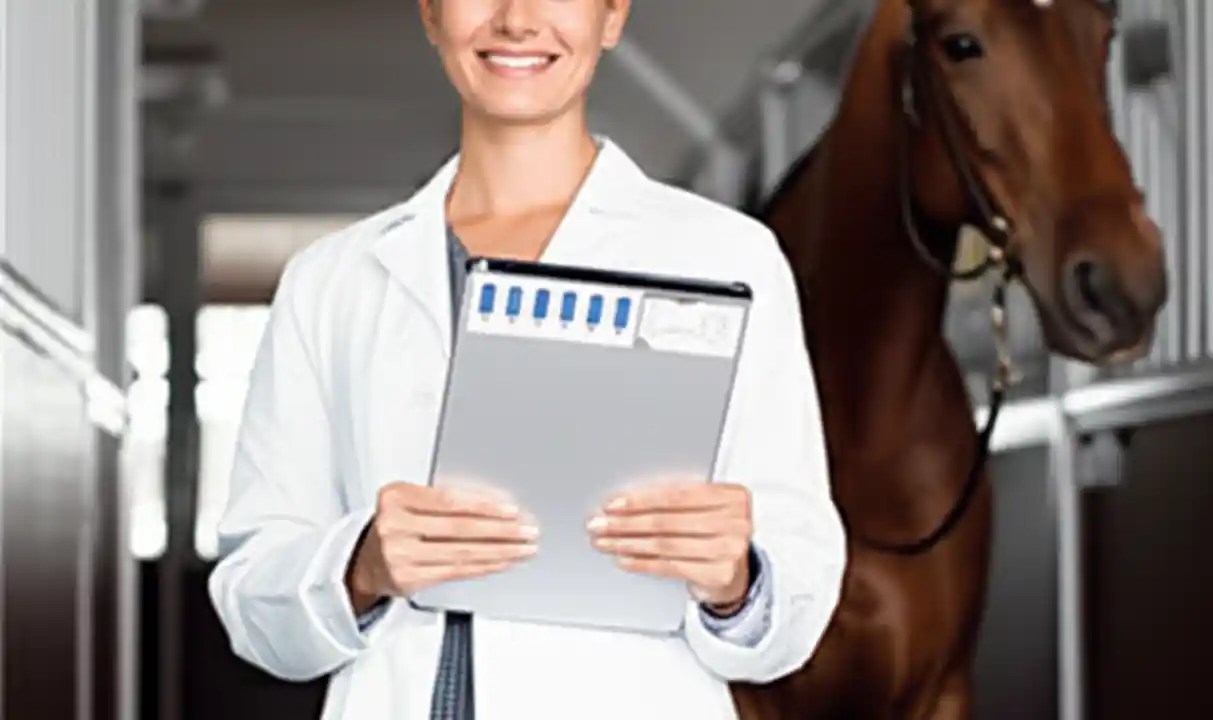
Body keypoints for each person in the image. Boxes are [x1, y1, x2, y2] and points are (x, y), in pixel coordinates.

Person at [207, 1, 846, 718]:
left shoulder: (728, 257)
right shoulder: (332, 280)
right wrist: (361, 566)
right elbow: (251, 602)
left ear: (612, 16)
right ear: (430, 11)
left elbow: (800, 597)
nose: (515, 19)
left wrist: (739, 578)